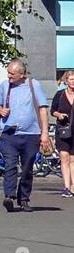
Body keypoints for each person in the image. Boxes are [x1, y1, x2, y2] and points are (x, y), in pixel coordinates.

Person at [0, 59, 53, 213]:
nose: (9, 76)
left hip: (31, 134)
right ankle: (9, 196)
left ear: (22, 74)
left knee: (27, 169)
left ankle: (24, 198)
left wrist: (44, 133)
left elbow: (42, 109)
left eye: (12, 74)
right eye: (8, 73)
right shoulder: (4, 86)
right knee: (10, 165)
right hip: (9, 133)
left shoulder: (34, 85)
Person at [51, 69, 74, 198]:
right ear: (66, 81)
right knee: (64, 157)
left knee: (73, 159)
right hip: (63, 130)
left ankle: (73, 186)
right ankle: (66, 187)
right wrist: (59, 115)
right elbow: (52, 110)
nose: (73, 82)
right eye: (71, 79)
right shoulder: (60, 95)